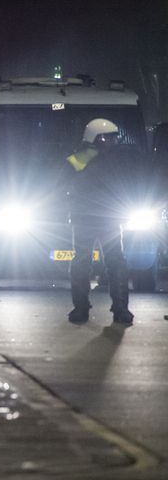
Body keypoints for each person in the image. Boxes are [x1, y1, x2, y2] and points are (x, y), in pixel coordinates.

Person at [65, 118, 135, 325]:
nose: (110, 142)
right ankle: (85, 307)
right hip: (93, 218)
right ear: (93, 138)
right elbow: (62, 184)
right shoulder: (94, 159)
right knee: (87, 262)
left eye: (113, 138)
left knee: (113, 263)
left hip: (101, 218)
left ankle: (117, 308)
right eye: (106, 137)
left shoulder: (81, 159)